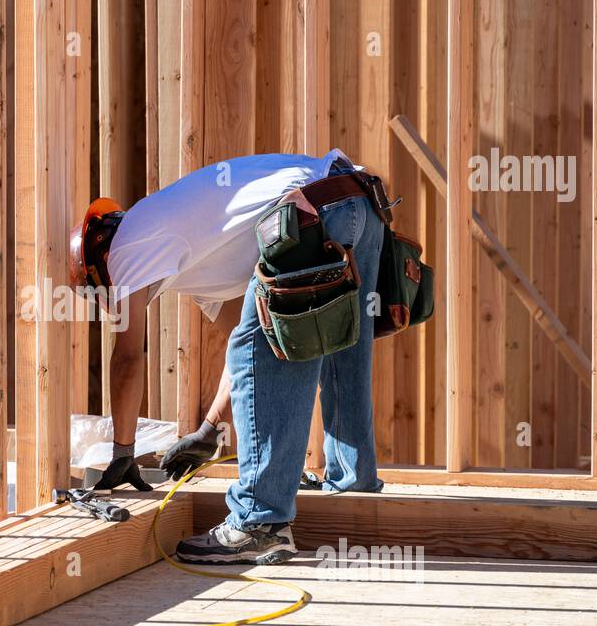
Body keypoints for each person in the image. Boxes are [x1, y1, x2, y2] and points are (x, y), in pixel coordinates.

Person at [70, 151, 385, 564]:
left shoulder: (126, 244)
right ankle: (352, 482)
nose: (116, 302)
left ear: (103, 263)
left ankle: (259, 522)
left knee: (276, 344)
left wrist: (123, 451)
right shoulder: (197, 261)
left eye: (105, 293)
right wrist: (208, 429)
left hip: (306, 211)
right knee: (339, 347)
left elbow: (128, 360)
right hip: (359, 202)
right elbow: (245, 355)